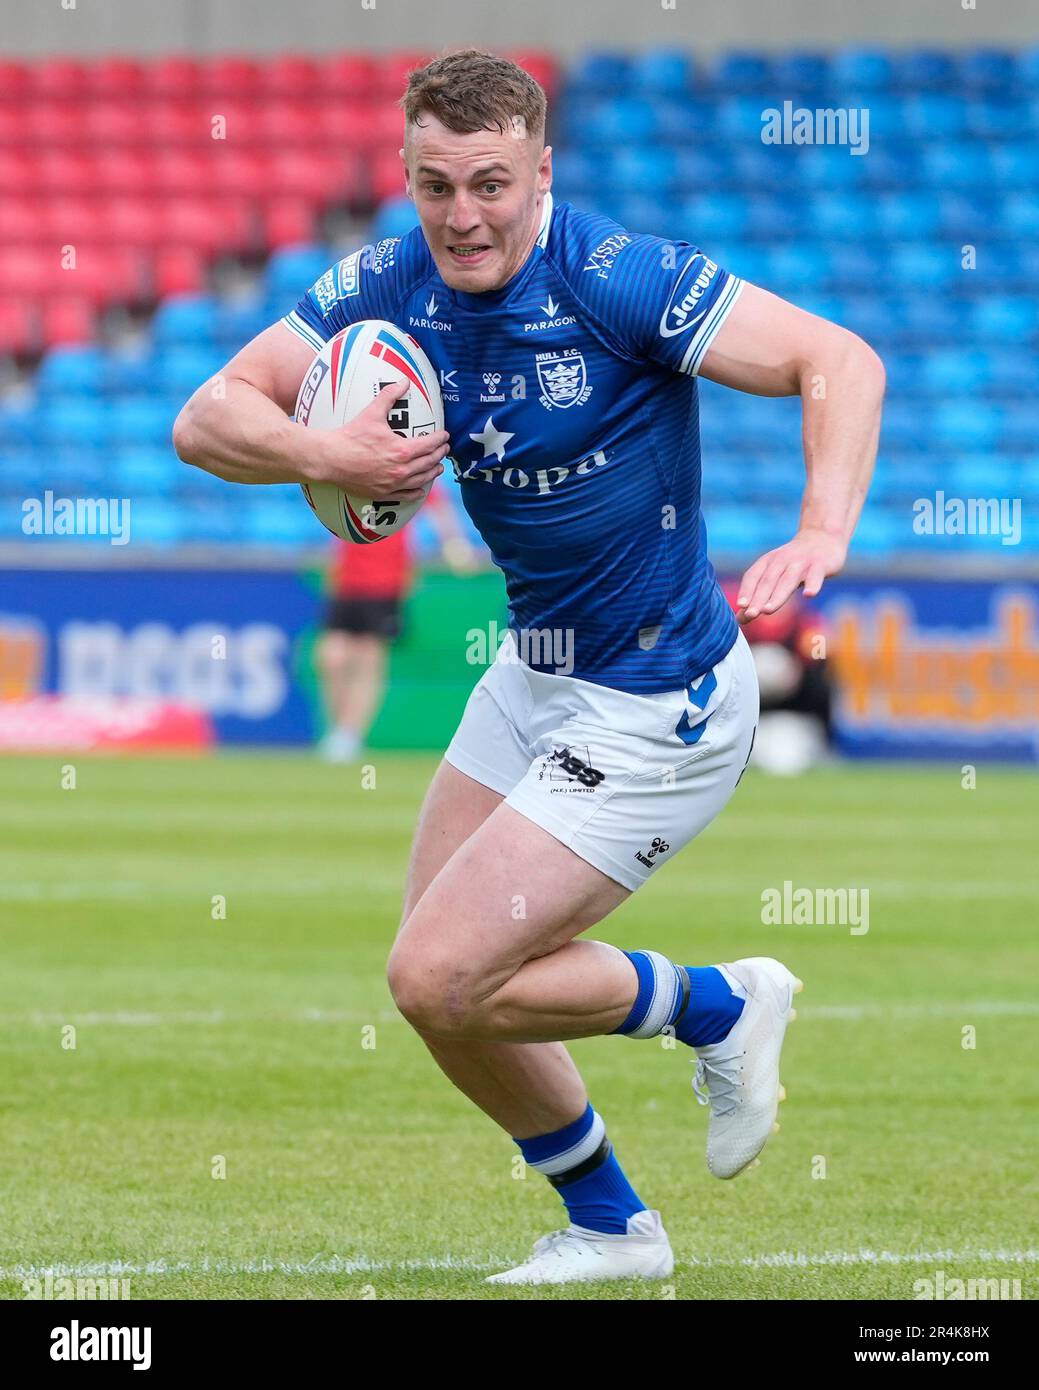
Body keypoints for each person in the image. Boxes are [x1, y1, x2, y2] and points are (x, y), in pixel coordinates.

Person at [173, 49, 884, 1285]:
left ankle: (718, 1003)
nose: (462, 216)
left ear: (541, 172)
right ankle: (612, 1224)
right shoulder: (391, 279)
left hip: (659, 699)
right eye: (434, 185)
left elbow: (842, 361)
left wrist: (822, 527)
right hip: (535, 672)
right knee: (438, 988)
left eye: (490, 184)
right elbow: (205, 416)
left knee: (440, 972)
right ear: (406, 175)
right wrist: (321, 449)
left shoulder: (618, 278)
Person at [317, 482, 478, 763]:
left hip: (385, 580)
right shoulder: (353, 461)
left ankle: (350, 734)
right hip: (348, 579)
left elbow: (438, 507)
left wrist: (454, 545)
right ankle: (339, 728)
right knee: (330, 656)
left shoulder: (406, 471)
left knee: (369, 656)